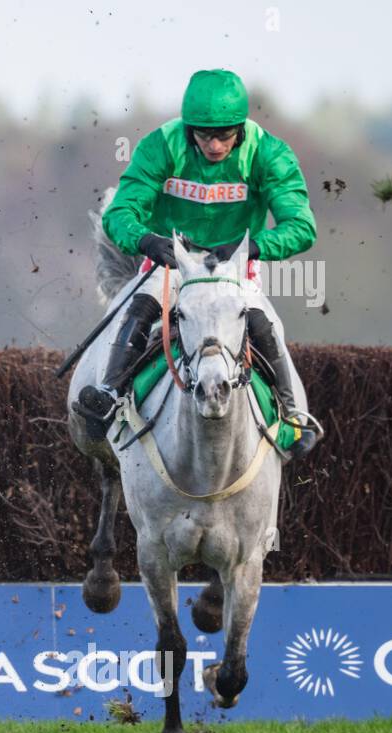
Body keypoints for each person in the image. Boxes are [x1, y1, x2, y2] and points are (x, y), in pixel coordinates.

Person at [77, 68, 320, 458]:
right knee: (142, 306)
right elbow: (120, 212)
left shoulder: (268, 152)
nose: (215, 145)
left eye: (225, 135)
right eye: (204, 135)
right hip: (170, 265)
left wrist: (253, 246)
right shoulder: (161, 145)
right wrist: (146, 240)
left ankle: (292, 416)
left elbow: (302, 226)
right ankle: (108, 393)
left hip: (233, 270)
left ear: (240, 128)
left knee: (262, 321)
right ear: (189, 129)